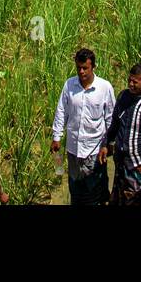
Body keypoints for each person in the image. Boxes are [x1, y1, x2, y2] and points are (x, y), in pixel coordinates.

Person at [50, 48, 115, 205]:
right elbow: (61, 111)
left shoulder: (104, 87)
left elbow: (110, 118)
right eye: (78, 67)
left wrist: (108, 144)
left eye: (85, 68)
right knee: (75, 186)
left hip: (95, 149)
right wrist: (56, 136)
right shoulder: (69, 85)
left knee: (94, 189)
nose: (81, 71)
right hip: (73, 148)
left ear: (93, 67)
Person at [102, 62, 141, 205]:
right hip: (120, 162)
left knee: (136, 200)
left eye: (135, 82)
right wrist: (106, 144)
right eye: (129, 80)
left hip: (138, 165)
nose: (131, 84)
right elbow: (115, 124)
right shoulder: (123, 96)